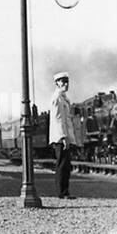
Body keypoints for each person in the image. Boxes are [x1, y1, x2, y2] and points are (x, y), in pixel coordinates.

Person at [48, 71, 78, 199]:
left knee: (65, 165)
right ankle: (62, 192)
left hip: (64, 137)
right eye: (63, 82)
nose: (66, 84)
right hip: (61, 138)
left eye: (67, 82)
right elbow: (58, 119)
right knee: (62, 165)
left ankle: (65, 191)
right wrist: (64, 137)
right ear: (57, 83)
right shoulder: (57, 98)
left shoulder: (63, 98)